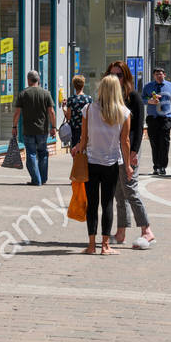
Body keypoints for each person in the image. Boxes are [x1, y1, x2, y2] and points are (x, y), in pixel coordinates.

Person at [71, 74, 131, 256]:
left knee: (92, 204)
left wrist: (77, 149)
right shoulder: (124, 112)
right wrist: (128, 166)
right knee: (107, 203)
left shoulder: (88, 110)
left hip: (91, 162)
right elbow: (125, 141)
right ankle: (105, 246)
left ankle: (91, 245)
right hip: (111, 163)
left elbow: (84, 138)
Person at [107, 61, 153, 246]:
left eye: (119, 75)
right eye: (111, 74)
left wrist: (133, 152)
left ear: (126, 77)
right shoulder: (109, 97)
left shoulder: (133, 97)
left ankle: (147, 230)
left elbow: (139, 127)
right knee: (118, 192)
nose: (115, 78)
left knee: (130, 189)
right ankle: (120, 233)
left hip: (130, 149)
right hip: (115, 149)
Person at [13, 70, 57, 187]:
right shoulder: (46, 93)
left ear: (28, 80)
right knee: (43, 153)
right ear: (38, 80)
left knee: (31, 154)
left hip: (28, 130)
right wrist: (53, 127)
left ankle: (36, 179)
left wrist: (14, 126)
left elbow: (17, 113)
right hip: (42, 131)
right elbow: (51, 112)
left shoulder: (23, 94)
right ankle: (42, 179)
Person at [140, 67, 171, 175]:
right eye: (157, 74)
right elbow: (141, 99)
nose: (159, 76)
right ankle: (156, 166)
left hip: (166, 118)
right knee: (154, 143)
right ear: (154, 76)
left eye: (161, 74)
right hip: (152, 118)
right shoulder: (148, 87)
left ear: (164, 75)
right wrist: (150, 101)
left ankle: (162, 166)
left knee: (164, 142)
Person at [61, 75, 91, 151]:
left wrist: (63, 108)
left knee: (75, 153)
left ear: (74, 86)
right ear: (83, 85)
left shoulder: (71, 99)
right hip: (87, 130)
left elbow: (68, 117)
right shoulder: (88, 99)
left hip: (75, 130)